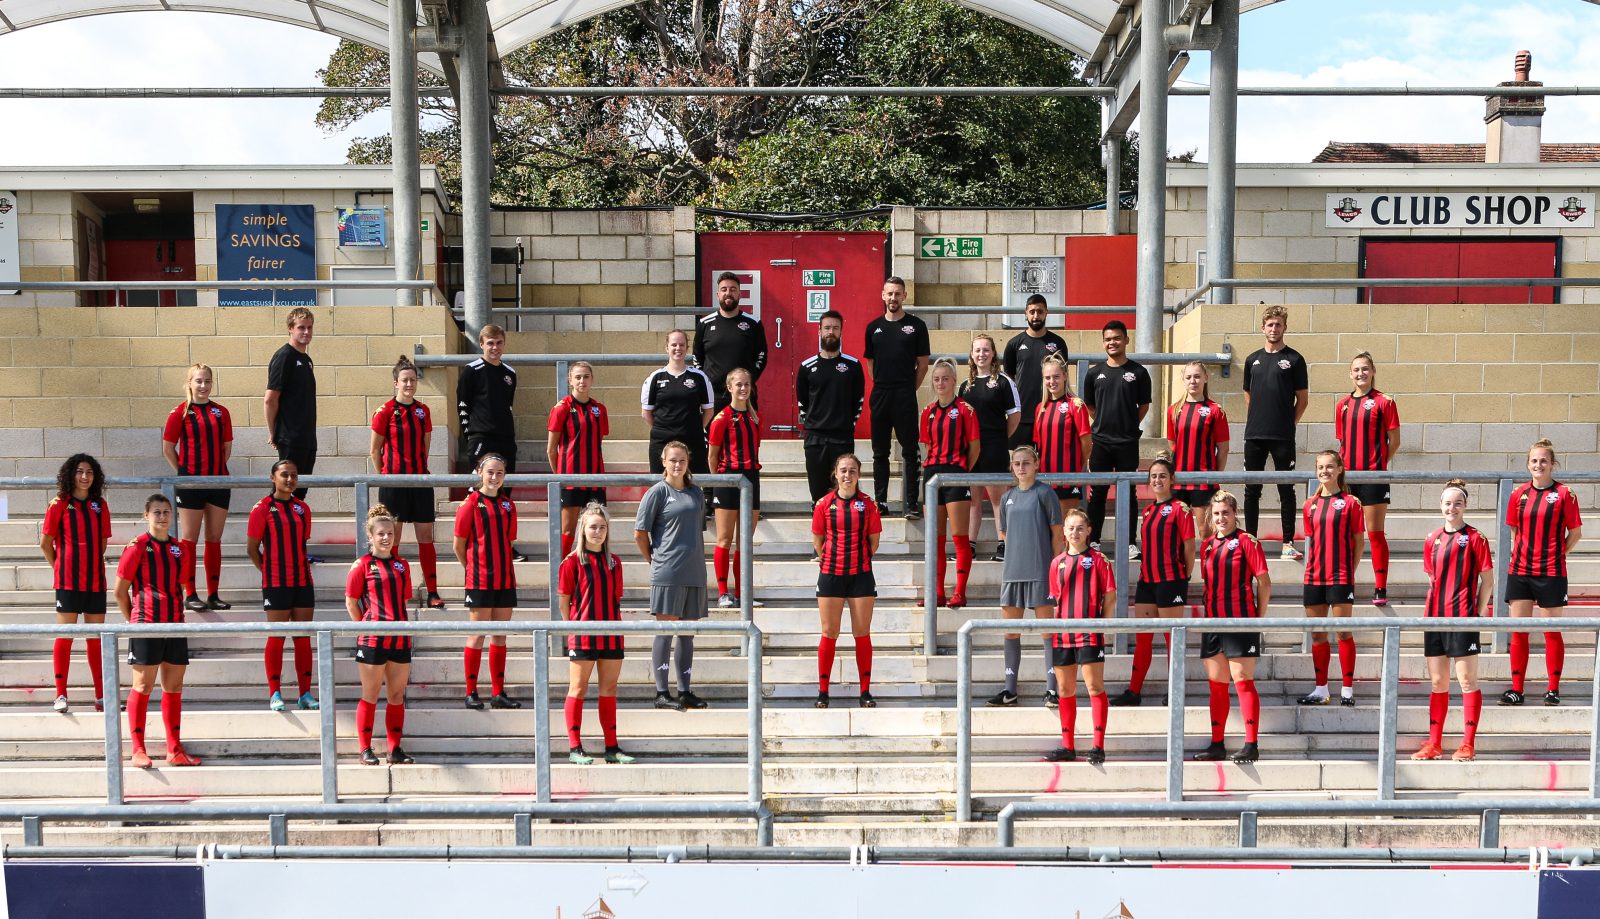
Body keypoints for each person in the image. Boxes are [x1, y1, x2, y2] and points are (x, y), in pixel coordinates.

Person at [114, 494, 199, 768]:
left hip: (174, 625)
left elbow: (180, 586)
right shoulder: (137, 546)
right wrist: (137, 621)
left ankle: (174, 749)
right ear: (146, 515)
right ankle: (138, 749)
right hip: (146, 625)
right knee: (143, 686)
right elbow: (119, 592)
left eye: (166, 512)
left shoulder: (179, 549)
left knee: (174, 687)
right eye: (157, 512)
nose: (162, 517)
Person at [1501, 438, 1583, 707]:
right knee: (1519, 632)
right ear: (1528, 465)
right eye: (1534, 461)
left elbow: (1575, 533)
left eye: (1544, 460)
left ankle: (1553, 689)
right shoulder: (1518, 494)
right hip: (1520, 571)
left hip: (1551, 572)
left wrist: (1557, 554)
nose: (1539, 465)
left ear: (1552, 464)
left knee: (1551, 632)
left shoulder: (1565, 494)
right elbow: (1515, 531)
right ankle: (1517, 690)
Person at [1413, 480, 1491, 762]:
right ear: (1441, 506)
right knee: (1438, 682)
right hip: (1434, 618)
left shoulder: (1476, 537)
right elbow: (1432, 578)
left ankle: (1468, 744)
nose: (1452, 508)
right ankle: (1434, 743)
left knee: (1467, 680)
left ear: (1465, 506)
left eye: (1457, 503)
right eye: (1447, 503)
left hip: (1463, 618)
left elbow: (1487, 580)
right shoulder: (1431, 538)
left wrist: (1476, 614)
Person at [1193, 491, 1272, 765]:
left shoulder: (1247, 541)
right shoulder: (1206, 546)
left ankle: (1251, 744)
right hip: (1213, 623)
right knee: (1217, 686)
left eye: (1225, 512)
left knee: (1242, 681)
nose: (1221, 518)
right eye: (1216, 513)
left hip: (1240, 621)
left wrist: (1257, 619)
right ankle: (1217, 744)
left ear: (1234, 513)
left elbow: (1264, 583)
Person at [1113, 455, 1196, 707]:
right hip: (1146, 582)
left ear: (1172, 479)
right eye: (1153, 476)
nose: (1157, 480)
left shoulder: (1180, 508)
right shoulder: (1148, 510)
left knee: (1172, 638)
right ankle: (1134, 692)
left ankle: (1175, 691)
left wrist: (1184, 577)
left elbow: (1189, 547)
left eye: (1162, 476)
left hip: (1171, 580)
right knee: (1143, 639)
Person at [634, 441, 710, 711]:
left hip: (695, 571)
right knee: (665, 632)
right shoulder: (657, 492)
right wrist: (654, 560)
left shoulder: (696, 493)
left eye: (682, 460)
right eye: (673, 460)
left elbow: (696, 530)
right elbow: (640, 534)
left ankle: (685, 691)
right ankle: (662, 692)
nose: (678, 465)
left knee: (687, 634)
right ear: (663, 462)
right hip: (668, 572)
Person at [985, 445, 1064, 708]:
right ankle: (1010, 690)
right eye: (1017, 463)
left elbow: (1057, 535)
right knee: (1010, 633)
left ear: (1036, 464)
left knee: (1047, 633)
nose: (1021, 467)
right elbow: (1006, 535)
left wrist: (1055, 569)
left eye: (1026, 462)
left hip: (1040, 572)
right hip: (1012, 574)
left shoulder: (1045, 493)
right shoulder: (1007, 497)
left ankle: (1052, 690)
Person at [559, 503, 635, 764]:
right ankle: (575, 747)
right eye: (593, 527)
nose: (598, 532)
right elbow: (564, 601)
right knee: (578, 688)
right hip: (583, 634)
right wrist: (572, 629)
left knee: (609, 689)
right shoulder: (571, 562)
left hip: (612, 633)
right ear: (582, 529)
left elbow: (615, 598)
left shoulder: (614, 562)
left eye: (603, 527)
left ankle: (612, 748)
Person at [369, 355, 444, 610]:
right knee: (393, 538)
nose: (409, 384)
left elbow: (425, 446)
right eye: (405, 380)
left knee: (426, 537)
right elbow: (375, 450)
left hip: (420, 482)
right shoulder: (385, 411)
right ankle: (396, 591)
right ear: (396, 383)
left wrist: (419, 471)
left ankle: (432, 592)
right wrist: (386, 477)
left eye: (413, 379)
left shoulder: (423, 411)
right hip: (394, 484)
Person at [345, 504, 416, 766]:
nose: (386, 538)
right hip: (372, 640)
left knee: (396, 696)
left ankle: (394, 749)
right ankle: (365, 749)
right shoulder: (362, 565)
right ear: (371, 537)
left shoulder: (402, 565)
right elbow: (351, 602)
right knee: (370, 694)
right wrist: (365, 628)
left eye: (390, 533)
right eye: (381, 534)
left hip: (400, 638)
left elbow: (403, 600)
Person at [1043, 509, 1115, 765]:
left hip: (1089, 634)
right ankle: (1068, 746)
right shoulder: (1057, 563)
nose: (1075, 532)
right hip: (1063, 635)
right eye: (1071, 528)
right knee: (1064, 689)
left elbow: (1110, 595)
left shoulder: (1098, 560)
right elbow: (1055, 599)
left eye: (1080, 528)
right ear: (1064, 531)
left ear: (1088, 531)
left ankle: (1098, 746)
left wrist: (1102, 624)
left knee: (1094, 687)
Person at [246, 460, 319, 713]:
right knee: (276, 637)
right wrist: (268, 571)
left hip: (303, 581)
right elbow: (252, 548)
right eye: (284, 475)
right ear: (273, 478)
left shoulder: (303, 508)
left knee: (302, 638)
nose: (290, 479)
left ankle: (305, 694)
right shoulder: (262, 508)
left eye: (294, 475)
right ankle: (274, 693)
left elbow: (301, 544)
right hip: (276, 582)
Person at [40, 454, 111, 714]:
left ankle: (101, 697)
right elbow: (45, 544)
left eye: (89, 472)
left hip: (95, 582)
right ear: (70, 474)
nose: (84, 476)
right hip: (68, 582)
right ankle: (60, 694)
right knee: (65, 636)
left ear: (95, 477)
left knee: (95, 640)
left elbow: (102, 544)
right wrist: (60, 567)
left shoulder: (100, 505)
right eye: (80, 471)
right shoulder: (59, 503)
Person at [812, 454, 883, 709]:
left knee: (862, 633)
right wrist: (832, 559)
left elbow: (874, 542)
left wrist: (856, 559)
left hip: (861, 575)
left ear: (859, 475)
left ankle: (865, 692)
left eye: (852, 471)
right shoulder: (823, 504)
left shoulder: (868, 504)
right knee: (829, 632)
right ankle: (823, 693)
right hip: (831, 575)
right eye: (843, 470)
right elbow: (818, 541)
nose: (847, 475)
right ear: (835, 473)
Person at [1296, 450, 1366, 707]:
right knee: (1317, 636)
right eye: (1320, 467)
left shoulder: (1351, 503)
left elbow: (1359, 542)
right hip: (1313, 577)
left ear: (1339, 469)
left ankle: (1347, 690)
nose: (1324, 471)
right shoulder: (1309, 505)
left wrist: (1349, 571)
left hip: (1340, 577)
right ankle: (1321, 690)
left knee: (1343, 632)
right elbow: (1313, 540)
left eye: (1329, 466)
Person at [162, 363, 233, 613]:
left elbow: (226, 447)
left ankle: (213, 594)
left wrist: (214, 473)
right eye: (198, 381)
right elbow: (168, 448)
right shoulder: (180, 412)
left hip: (219, 483)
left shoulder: (221, 412)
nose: (203, 386)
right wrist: (184, 473)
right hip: (190, 484)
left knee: (214, 539)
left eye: (207, 381)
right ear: (189, 383)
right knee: (189, 539)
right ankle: (190, 593)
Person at [453, 453, 521, 710]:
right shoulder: (470, 503)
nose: (494, 477)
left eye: (499, 473)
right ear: (480, 472)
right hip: (479, 580)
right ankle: (471, 692)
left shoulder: (508, 505)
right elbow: (458, 545)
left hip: (505, 580)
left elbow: (509, 542)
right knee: (477, 635)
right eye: (490, 472)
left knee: (500, 636)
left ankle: (497, 692)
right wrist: (472, 569)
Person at [1241, 305, 1309, 560]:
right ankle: (1250, 541)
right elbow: (1248, 393)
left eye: (1278, 324)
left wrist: (1289, 423)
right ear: (1263, 328)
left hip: (1282, 436)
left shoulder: (1295, 359)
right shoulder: (1252, 360)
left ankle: (1288, 543)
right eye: (1270, 324)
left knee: (1286, 489)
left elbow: (1303, 399)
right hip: (1254, 436)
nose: (1274, 328)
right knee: (1252, 490)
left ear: (1284, 328)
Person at [1334, 351, 1401, 605]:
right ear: (1350, 374)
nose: (1360, 373)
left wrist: (1379, 465)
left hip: (1373, 478)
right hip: (1347, 479)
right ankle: (1346, 582)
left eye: (1365, 369)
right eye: (1356, 369)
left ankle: (1380, 588)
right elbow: (1342, 443)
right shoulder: (1342, 405)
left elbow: (1394, 441)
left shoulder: (1385, 402)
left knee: (1374, 533)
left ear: (1373, 371)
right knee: (1348, 535)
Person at [456, 324, 526, 560]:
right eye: (490, 343)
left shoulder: (510, 374)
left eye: (498, 343)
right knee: (477, 491)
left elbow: (507, 406)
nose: (494, 347)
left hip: (505, 439)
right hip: (481, 438)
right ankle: (472, 542)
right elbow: (463, 406)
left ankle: (504, 545)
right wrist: (470, 436)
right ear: (481, 344)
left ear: (504, 344)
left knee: (504, 492)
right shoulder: (471, 370)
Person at [1081, 320, 1151, 555]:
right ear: (1103, 343)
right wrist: (1103, 421)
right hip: (1101, 442)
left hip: (1127, 442)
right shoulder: (1094, 373)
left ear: (1126, 340)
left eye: (1117, 338)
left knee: (1128, 493)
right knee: (1098, 493)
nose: (1113, 342)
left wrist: (1128, 424)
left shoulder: (1138, 372)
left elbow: (1144, 406)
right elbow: (1090, 406)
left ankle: (1129, 543)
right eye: (1108, 339)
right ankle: (1093, 541)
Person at [864, 276, 930, 518]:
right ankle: (880, 502)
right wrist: (883, 385)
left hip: (904, 394)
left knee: (910, 450)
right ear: (883, 295)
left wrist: (908, 389)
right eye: (889, 293)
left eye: (897, 294)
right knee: (879, 452)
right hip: (881, 394)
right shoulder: (873, 327)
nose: (893, 298)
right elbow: (870, 364)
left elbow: (923, 365)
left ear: (904, 296)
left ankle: (911, 504)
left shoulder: (916, 326)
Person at [920, 358, 981, 608]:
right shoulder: (927, 412)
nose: (940, 383)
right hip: (932, 476)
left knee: (959, 538)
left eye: (945, 378)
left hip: (956, 474)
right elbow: (927, 446)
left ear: (954, 380)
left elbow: (975, 447)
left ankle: (959, 592)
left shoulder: (966, 410)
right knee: (935, 540)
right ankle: (937, 593)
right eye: (936, 379)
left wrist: (962, 470)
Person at [959, 334, 1021, 561]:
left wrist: (1000, 438)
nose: (981, 354)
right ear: (971, 354)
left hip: (994, 448)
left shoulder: (1003, 382)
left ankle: (1003, 545)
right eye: (977, 350)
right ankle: (970, 547)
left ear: (993, 353)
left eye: (986, 350)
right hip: (970, 450)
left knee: (997, 500)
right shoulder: (965, 386)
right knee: (973, 500)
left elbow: (1015, 415)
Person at [797, 310, 865, 503]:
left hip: (842, 438)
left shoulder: (853, 366)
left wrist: (845, 424)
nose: (831, 332)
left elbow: (858, 402)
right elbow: (803, 402)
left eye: (835, 328)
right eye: (827, 328)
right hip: (815, 439)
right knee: (818, 496)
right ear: (819, 331)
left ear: (841, 331)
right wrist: (815, 424)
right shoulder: (806, 367)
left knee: (844, 493)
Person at [708, 368, 762, 608]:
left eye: (746, 384)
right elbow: (712, 456)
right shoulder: (721, 418)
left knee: (745, 541)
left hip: (751, 479)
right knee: (725, 538)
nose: (743, 388)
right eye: (738, 384)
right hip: (728, 479)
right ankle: (723, 593)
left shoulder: (754, 417)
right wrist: (719, 483)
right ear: (729, 387)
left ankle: (742, 593)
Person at [546, 360, 609, 559]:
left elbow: (596, 442)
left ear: (592, 380)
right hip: (570, 479)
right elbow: (551, 449)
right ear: (570, 380)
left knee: (597, 527)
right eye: (578, 377)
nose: (582, 381)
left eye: (586, 377)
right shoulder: (561, 408)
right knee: (568, 530)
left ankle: (594, 566)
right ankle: (561, 569)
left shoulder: (599, 409)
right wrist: (561, 477)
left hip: (596, 479)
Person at [1165, 361, 1229, 541]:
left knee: (1205, 531)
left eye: (1197, 376)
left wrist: (1214, 477)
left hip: (1204, 481)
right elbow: (1172, 443)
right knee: (1177, 533)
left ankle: (1209, 560)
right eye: (1189, 377)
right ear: (1183, 380)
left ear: (1205, 378)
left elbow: (1223, 449)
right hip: (1178, 480)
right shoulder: (1173, 410)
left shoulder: (1215, 410)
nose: (1193, 381)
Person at [641, 329, 714, 475]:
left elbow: (709, 411)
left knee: (695, 482)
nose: (678, 348)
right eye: (674, 345)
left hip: (692, 440)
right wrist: (664, 429)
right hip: (661, 441)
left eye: (682, 345)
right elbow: (646, 414)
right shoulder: (655, 377)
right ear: (667, 347)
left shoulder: (700, 377)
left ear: (687, 348)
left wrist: (694, 429)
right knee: (661, 483)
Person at [694, 271, 768, 414]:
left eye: (733, 289)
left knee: (746, 429)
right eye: (724, 289)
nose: (728, 293)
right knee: (713, 430)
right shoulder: (705, 324)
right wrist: (707, 381)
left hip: (744, 395)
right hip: (713, 396)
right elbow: (697, 357)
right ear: (718, 295)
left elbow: (761, 356)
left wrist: (748, 380)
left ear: (739, 294)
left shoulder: (753, 323)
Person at [1002, 294, 1069, 450]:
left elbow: (1063, 377)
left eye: (1040, 311)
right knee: (1020, 462)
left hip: (1050, 414)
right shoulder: (1014, 344)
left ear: (1046, 313)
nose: (1036, 316)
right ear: (1026, 313)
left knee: (1049, 460)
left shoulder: (1058, 343)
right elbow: (1009, 379)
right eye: (1032, 312)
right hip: (1021, 416)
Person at [263, 307, 317, 501]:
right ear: (290, 328)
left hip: (307, 438)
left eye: (309, 327)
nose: (306, 332)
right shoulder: (285, 356)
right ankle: (272, 520)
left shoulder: (306, 359)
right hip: (290, 439)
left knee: (298, 496)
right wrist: (273, 432)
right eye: (301, 327)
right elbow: (270, 399)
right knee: (285, 493)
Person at [1033, 354, 1092, 525]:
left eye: (1056, 376)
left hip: (1068, 477)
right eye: (1048, 377)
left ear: (1065, 376)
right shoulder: (1040, 408)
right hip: (1045, 478)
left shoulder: (1076, 404)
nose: (1052, 381)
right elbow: (1039, 446)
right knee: (1047, 528)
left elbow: (1086, 443)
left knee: (1066, 527)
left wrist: (1077, 466)